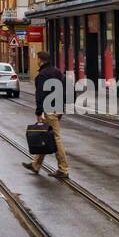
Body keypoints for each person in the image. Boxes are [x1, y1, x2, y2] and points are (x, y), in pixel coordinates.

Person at [24, 50, 70, 180]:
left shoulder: (42, 75)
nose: (36, 61)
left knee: (55, 138)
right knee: (45, 135)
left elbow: (40, 95)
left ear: (41, 60)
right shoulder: (57, 72)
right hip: (57, 108)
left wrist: (39, 112)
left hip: (49, 109)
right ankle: (35, 164)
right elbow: (65, 90)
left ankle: (63, 169)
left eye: (37, 59)